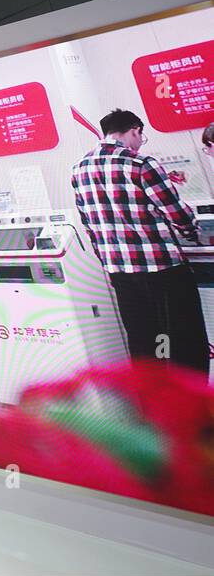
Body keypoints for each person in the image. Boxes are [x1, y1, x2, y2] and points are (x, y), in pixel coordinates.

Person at [70, 108, 209, 375]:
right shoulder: (140, 163)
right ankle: (190, 406)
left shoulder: (79, 169)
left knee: (145, 339)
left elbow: (88, 223)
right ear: (134, 130)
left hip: (120, 271)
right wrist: (191, 233)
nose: (139, 143)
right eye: (140, 137)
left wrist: (108, 260)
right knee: (183, 338)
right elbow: (176, 212)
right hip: (162, 268)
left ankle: (154, 403)